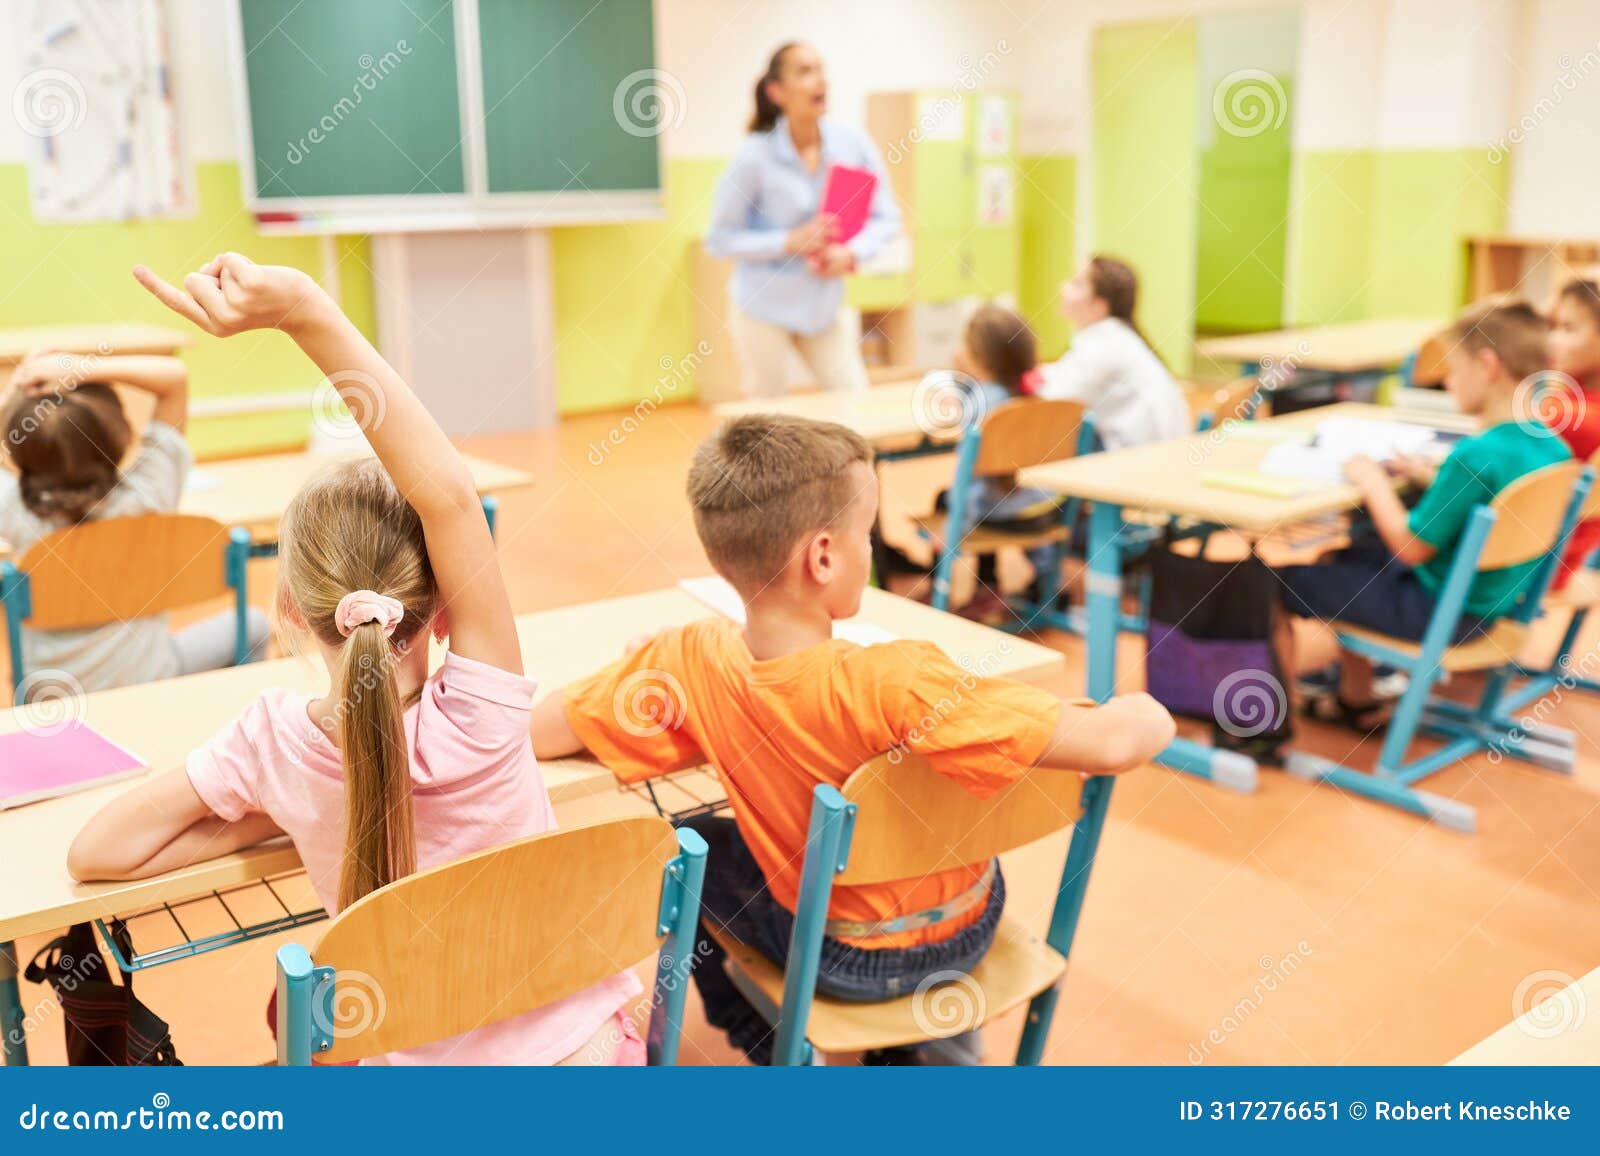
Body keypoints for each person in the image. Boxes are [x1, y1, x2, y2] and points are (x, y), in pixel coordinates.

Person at [68, 254, 643, 1066]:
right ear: (442, 609)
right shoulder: (482, 714)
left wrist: (279, 810)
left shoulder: (269, 747)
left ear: (293, 614)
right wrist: (305, 308)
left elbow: (97, 852)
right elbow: (445, 492)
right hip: (582, 1061)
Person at [530, 412, 1175, 1064]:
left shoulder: (684, 664)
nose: (872, 550)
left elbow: (538, 730)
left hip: (838, 954)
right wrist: (1146, 707)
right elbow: (1117, 743)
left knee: (685, 850)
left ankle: (776, 1046)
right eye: (867, 533)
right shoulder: (902, 680)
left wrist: (640, 669)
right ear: (823, 556)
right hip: (968, 929)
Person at [1274, 301, 1570, 733]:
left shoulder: (1476, 453)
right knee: (1345, 558)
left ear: (1487, 365)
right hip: (1492, 608)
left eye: (1453, 369)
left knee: (1274, 581)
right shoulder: (1551, 447)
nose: (1446, 381)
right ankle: (1354, 699)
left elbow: (1411, 548)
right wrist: (1429, 475)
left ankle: (1266, 730)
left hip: (1439, 614)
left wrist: (1373, 480)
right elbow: (1496, 495)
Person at [1, 352, 268, 692]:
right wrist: (78, 369)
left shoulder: (14, 512)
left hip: (52, 695)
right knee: (256, 624)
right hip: (150, 677)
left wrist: (16, 392)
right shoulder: (150, 495)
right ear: (124, 435)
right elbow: (174, 378)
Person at [705, 42, 901, 397]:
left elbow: (887, 218)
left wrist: (851, 253)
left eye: (821, 69)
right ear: (777, 92)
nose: (819, 80)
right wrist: (788, 242)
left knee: (854, 400)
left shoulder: (853, 146)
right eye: (804, 71)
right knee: (768, 422)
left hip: (822, 307)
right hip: (763, 308)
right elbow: (719, 239)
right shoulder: (754, 157)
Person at [1040, 255, 1191, 449]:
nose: (1063, 287)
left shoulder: (1103, 344)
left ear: (1099, 305)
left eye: (1076, 284)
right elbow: (1066, 373)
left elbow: (1054, 398)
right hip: (1160, 448)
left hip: (1138, 457)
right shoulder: (1116, 337)